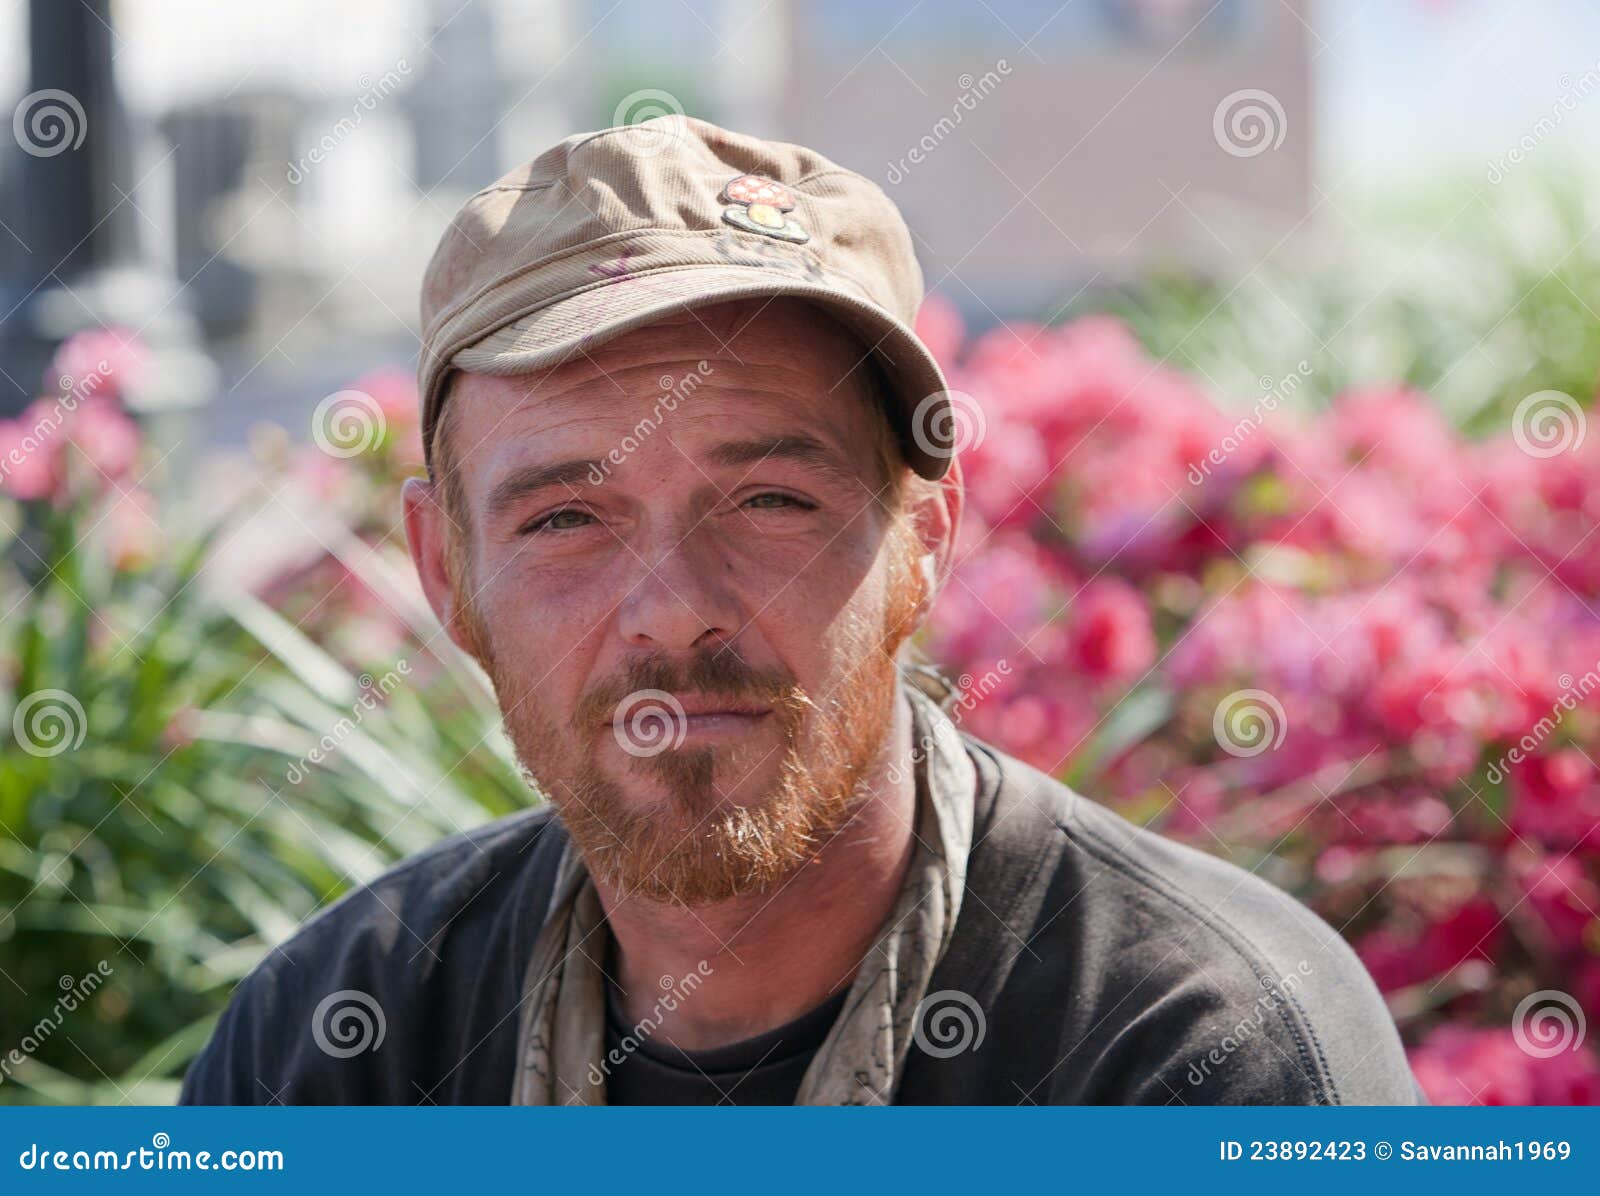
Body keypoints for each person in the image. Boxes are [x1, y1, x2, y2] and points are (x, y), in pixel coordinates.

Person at [180, 115, 1419, 1105]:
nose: (672, 610)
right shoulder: (337, 1048)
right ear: (446, 572)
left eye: (770, 499)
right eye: (564, 517)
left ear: (922, 537)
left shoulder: (1196, 1054)